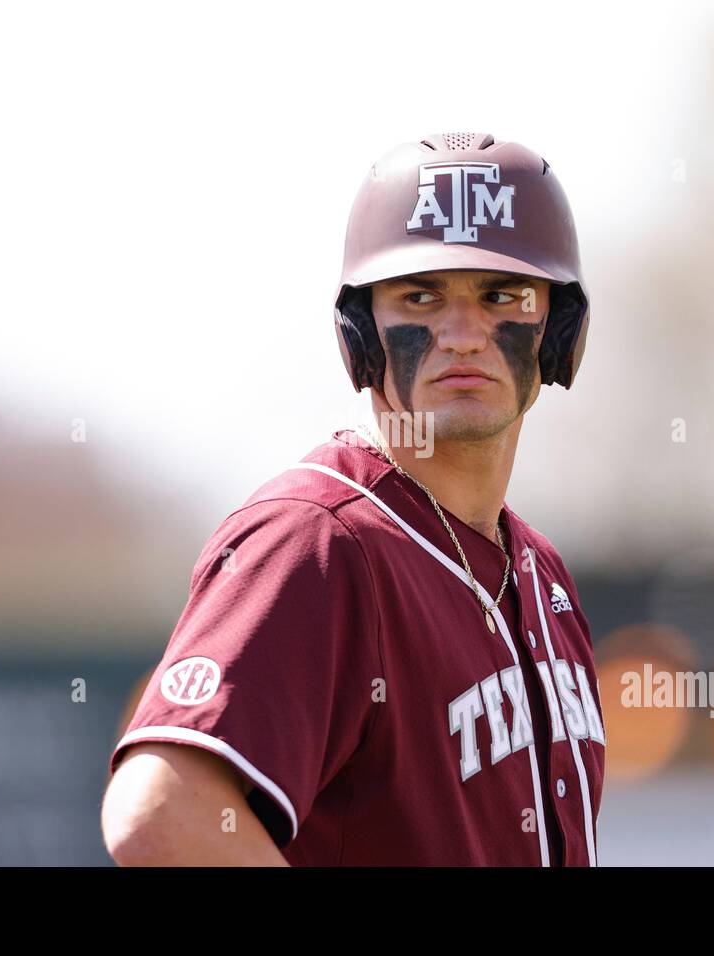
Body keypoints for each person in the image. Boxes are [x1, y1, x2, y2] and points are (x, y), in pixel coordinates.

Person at [100, 132, 605, 866]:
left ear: (559, 330)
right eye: (420, 296)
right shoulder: (316, 540)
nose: (462, 334)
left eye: (503, 295)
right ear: (360, 332)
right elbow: (161, 812)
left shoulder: (540, 569)